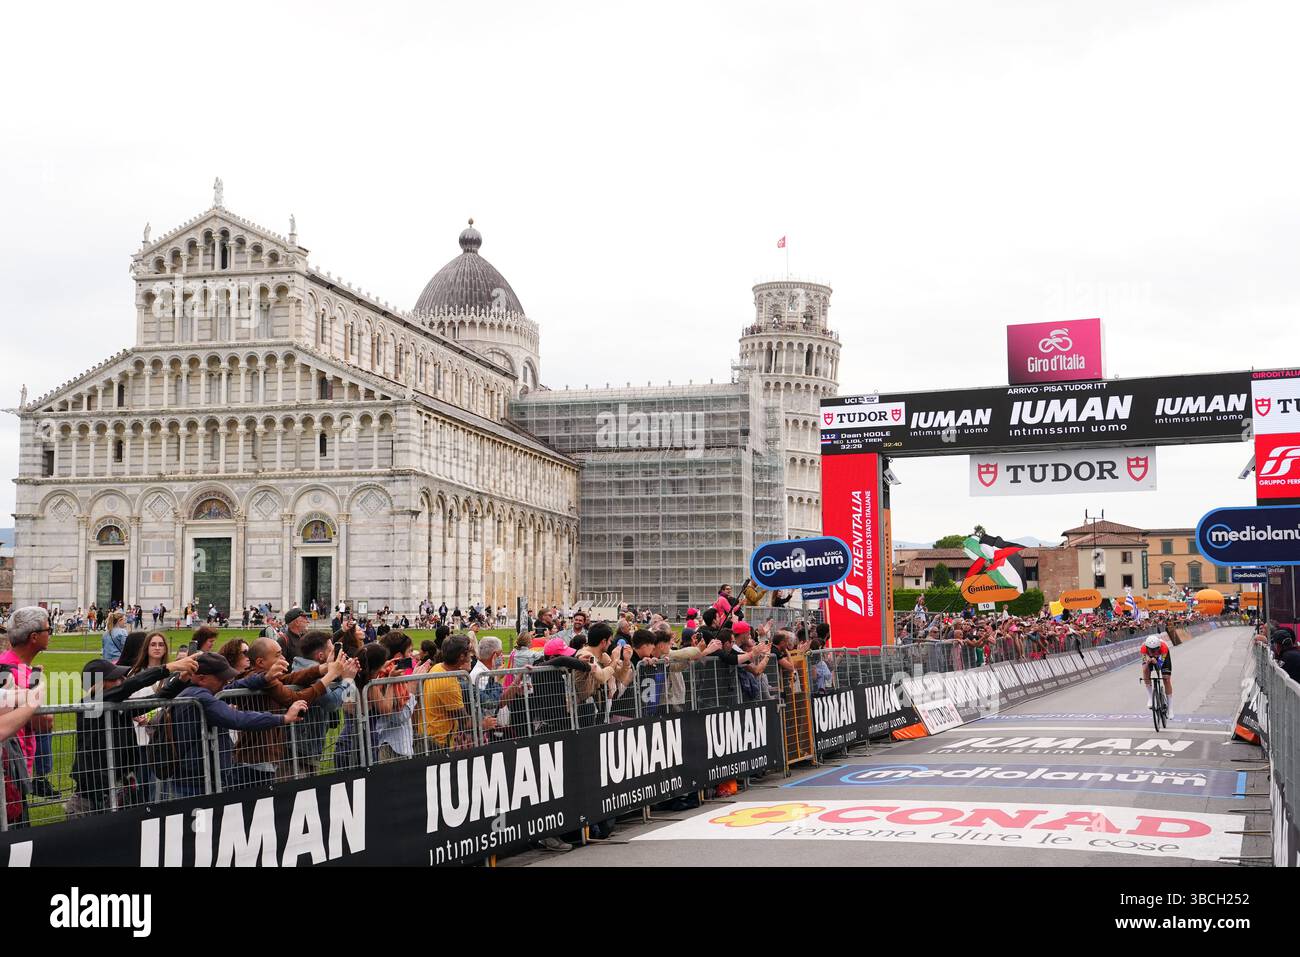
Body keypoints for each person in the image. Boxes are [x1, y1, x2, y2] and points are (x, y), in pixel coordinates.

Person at [160, 653, 308, 799]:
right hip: (195, 782)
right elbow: (237, 719)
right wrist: (283, 718)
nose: (226, 682)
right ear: (201, 678)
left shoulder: (204, 690)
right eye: (221, 678)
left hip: (203, 777)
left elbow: (234, 686)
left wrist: (265, 678)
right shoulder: (199, 696)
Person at [68, 654, 200, 815]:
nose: (122, 680)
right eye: (116, 678)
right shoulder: (90, 704)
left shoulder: (117, 707)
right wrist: (168, 668)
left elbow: (158, 698)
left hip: (117, 789)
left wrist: (182, 679)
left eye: (123, 677)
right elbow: (129, 686)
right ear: (98, 684)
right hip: (91, 796)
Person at [1139, 634, 1173, 711]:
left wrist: (1157, 662)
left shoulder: (1164, 647)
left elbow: (1160, 665)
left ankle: (1170, 707)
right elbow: (1144, 666)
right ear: (1147, 648)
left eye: (1155, 650)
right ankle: (1150, 697)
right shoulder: (1143, 648)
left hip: (1162, 656)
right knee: (1145, 670)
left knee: (1166, 679)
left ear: (1159, 647)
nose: (1153, 652)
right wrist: (1147, 662)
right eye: (1151, 650)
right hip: (1148, 657)